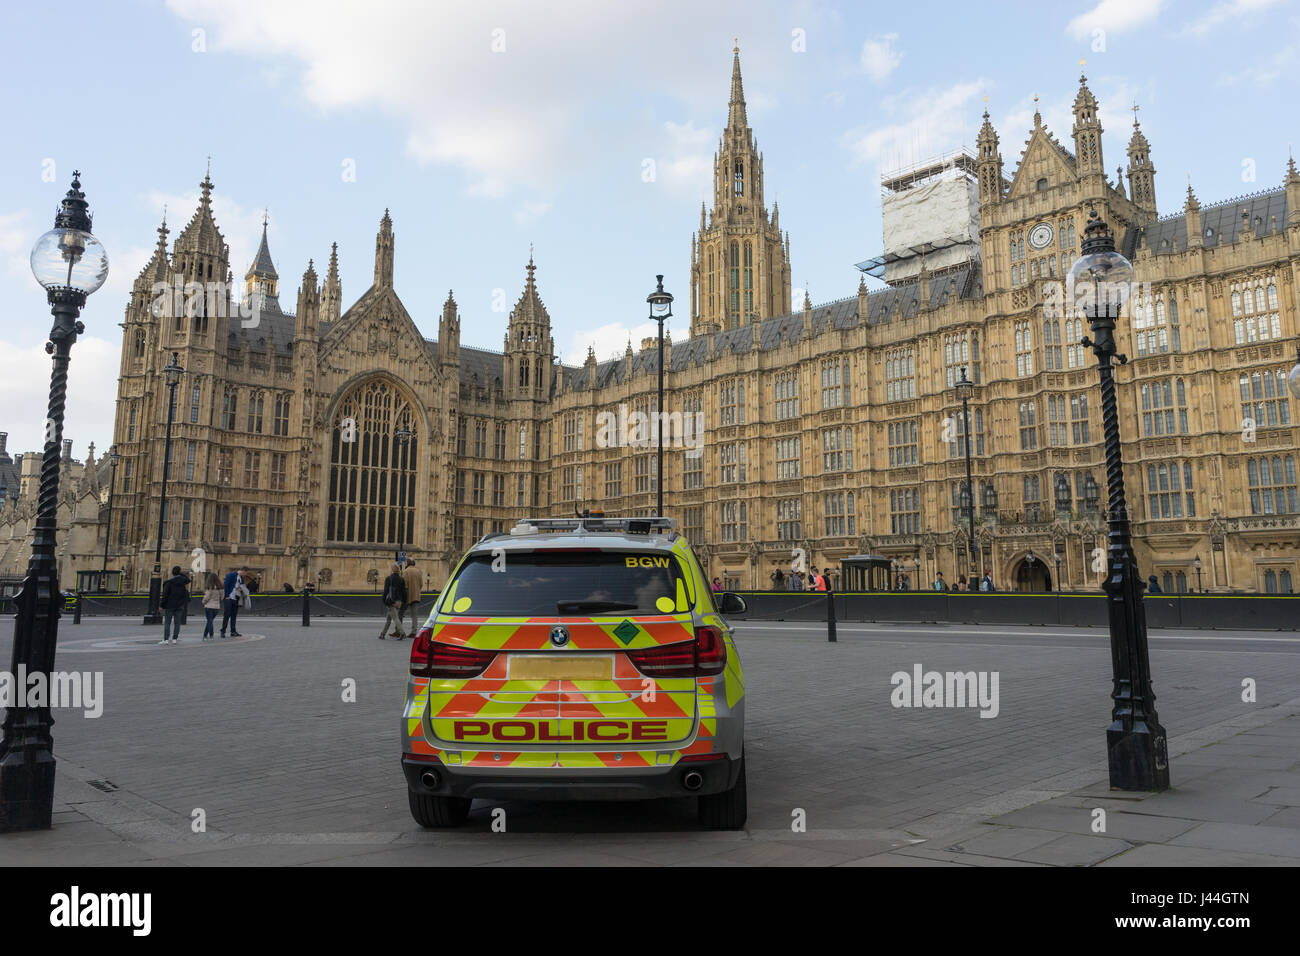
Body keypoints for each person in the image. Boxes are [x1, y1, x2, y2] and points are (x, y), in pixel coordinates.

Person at [159, 566, 189, 645]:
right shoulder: (183, 581)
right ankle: (175, 639)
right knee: (177, 623)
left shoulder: (169, 582)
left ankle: (166, 639)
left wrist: (161, 605)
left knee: (167, 623)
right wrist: (181, 573)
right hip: (180, 605)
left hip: (170, 605)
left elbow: (165, 595)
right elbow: (188, 580)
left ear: (172, 572)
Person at [380, 562, 407, 640]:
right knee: (389, 618)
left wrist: (384, 599)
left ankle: (402, 633)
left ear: (392, 570)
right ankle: (382, 634)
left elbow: (386, 591)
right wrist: (404, 601)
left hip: (391, 601)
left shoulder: (389, 578)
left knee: (395, 618)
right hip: (399, 601)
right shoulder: (401, 579)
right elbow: (403, 591)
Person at [221, 566, 246, 638]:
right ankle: (223, 631)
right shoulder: (231, 575)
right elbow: (226, 585)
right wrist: (226, 595)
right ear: (243, 571)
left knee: (234, 616)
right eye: (245, 573)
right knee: (227, 615)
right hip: (229, 598)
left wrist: (240, 590)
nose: (245, 575)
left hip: (236, 599)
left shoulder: (241, 579)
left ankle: (233, 631)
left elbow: (241, 587)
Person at [402, 558, 424, 636]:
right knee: (414, 615)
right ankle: (414, 631)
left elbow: (405, 584)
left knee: (400, 613)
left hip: (407, 596)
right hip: (416, 596)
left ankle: (399, 631)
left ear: (407, 564)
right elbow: (421, 584)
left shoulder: (406, 571)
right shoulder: (418, 571)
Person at [202, 571, 222, 641]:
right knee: (210, 621)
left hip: (209, 606)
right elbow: (222, 597)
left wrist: (203, 602)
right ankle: (204, 635)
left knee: (209, 621)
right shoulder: (220, 587)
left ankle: (211, 635)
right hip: (216, 607)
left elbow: (207, 597)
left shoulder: (210, 587)